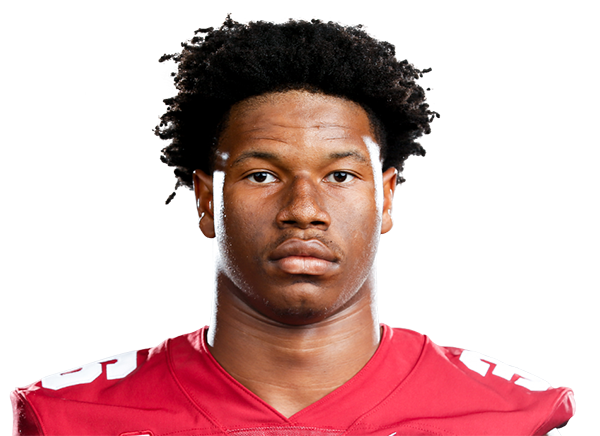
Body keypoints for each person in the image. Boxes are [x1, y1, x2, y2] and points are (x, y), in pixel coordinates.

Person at [12, 18, 574, 436]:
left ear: (385, 198)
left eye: (340, 176)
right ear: (206, 200)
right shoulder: (64, 419)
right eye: (262, 175)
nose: (303, 209)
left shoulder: (518, 418)